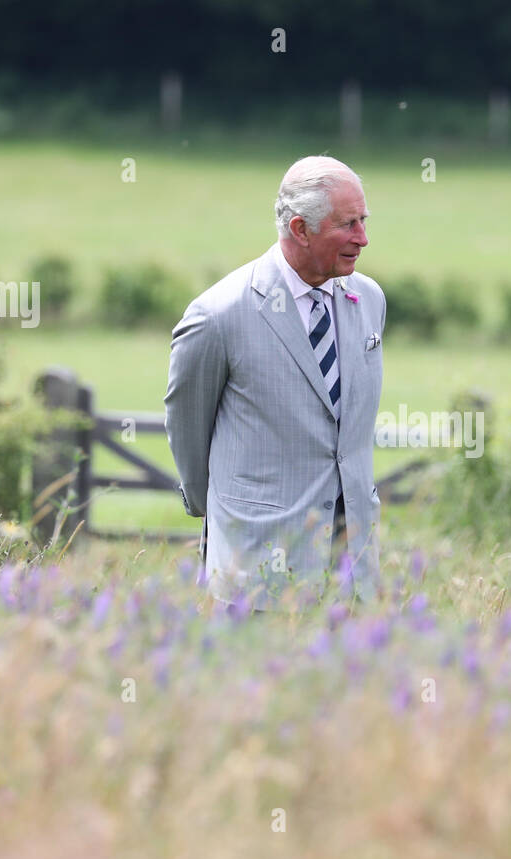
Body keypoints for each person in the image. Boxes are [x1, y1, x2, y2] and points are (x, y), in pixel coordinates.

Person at [165, 156, 386, 609]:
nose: (363, 238)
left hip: (354, 570)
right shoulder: (219, 314)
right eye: (348, 225)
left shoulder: (369, 299)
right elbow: (188, 429)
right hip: (257, 569)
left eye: (363, 221)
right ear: (301, 229)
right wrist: (224, 517)